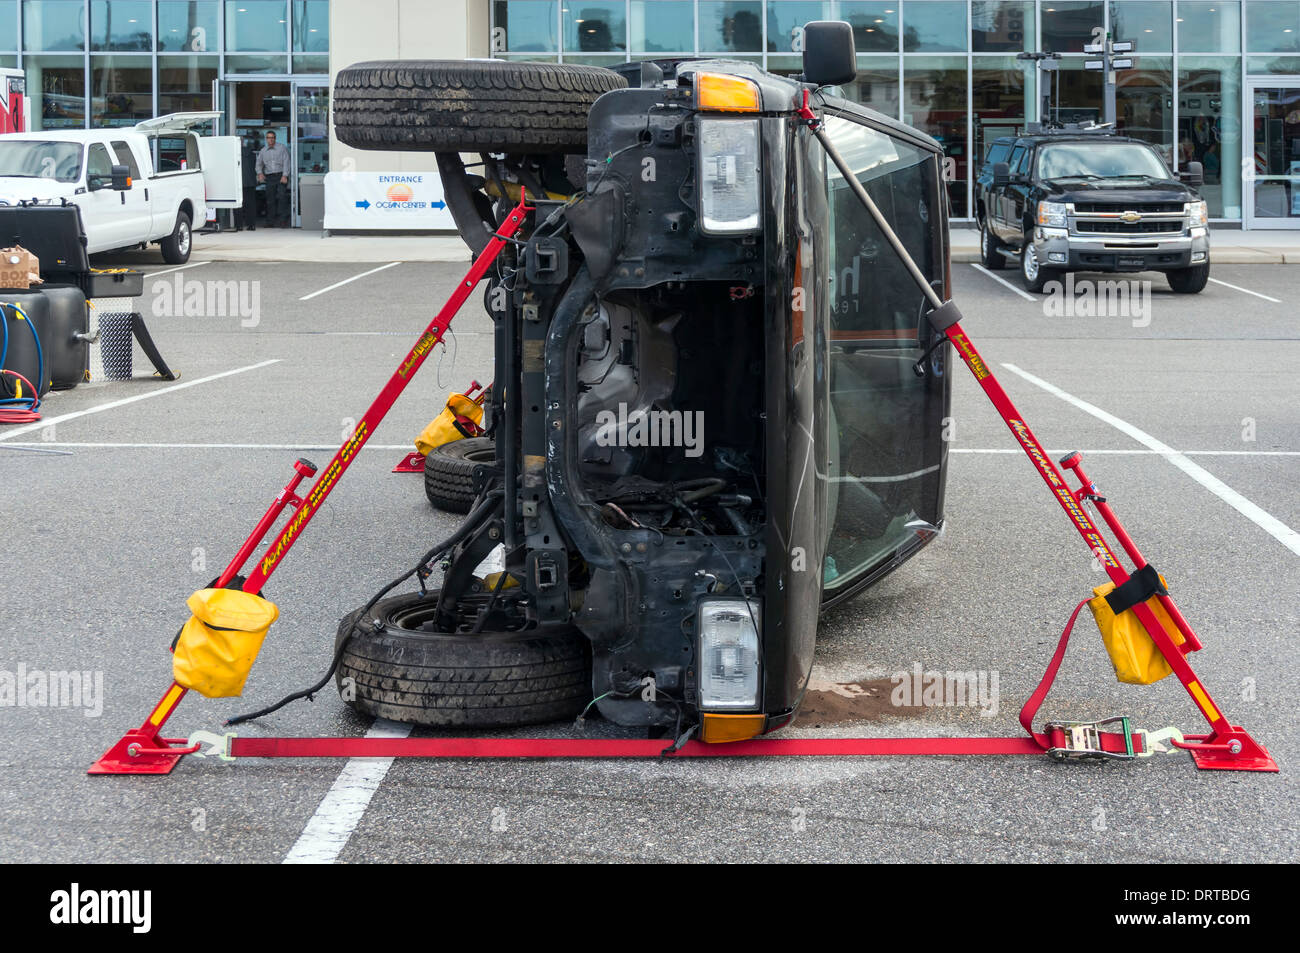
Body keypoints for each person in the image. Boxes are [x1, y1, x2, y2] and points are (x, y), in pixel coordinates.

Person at [255, 130, 291, 227]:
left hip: (280, 176)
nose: (270, 139)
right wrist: (260, 173)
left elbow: (286, 162)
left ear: (275, 138)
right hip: (269, 177)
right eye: (268, 138)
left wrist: (285, 175)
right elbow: (258, 164)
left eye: (272, 137)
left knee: (282, 198)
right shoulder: (263, 151)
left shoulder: (281, 148)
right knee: (270, 200)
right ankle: (270, 221)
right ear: (266, 139)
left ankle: (283, 220)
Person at [235, 135, 259, 231]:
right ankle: (251, 225)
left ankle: (239, 225)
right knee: (251, 205)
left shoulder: (233, 154)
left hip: (237, 182)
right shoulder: (251, 153)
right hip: (250, 182)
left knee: (238, 205)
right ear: (243, 142)